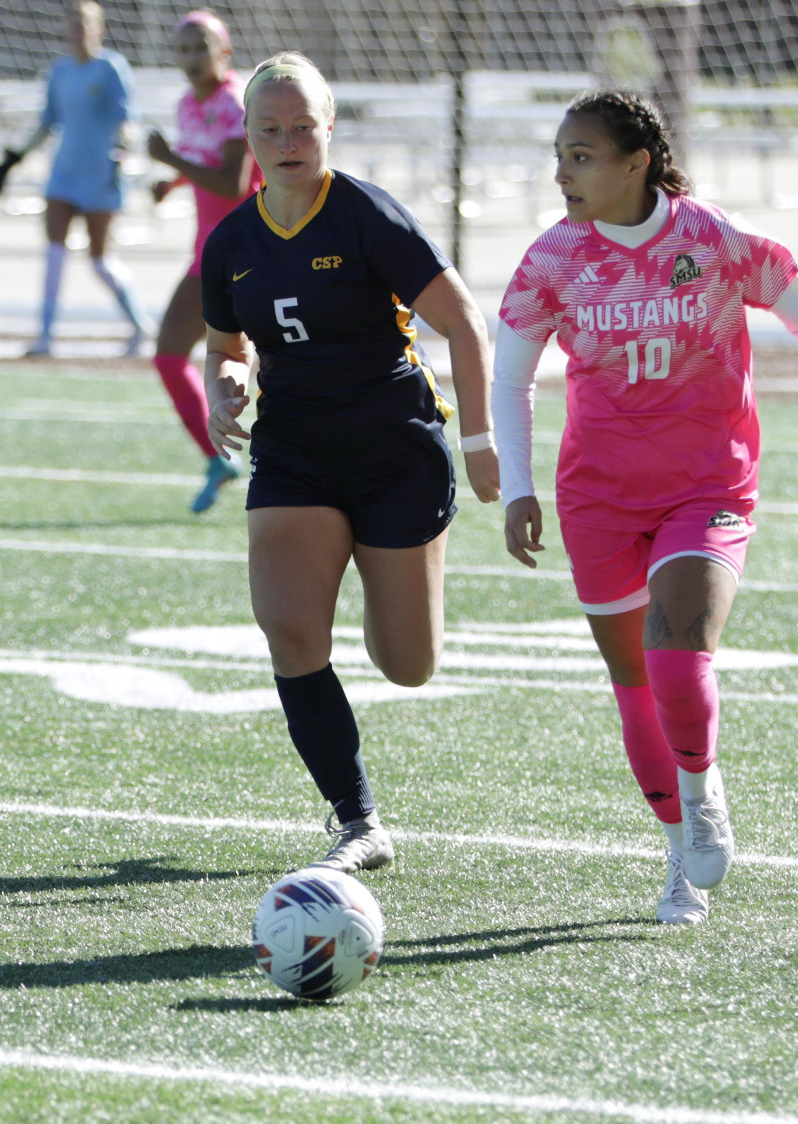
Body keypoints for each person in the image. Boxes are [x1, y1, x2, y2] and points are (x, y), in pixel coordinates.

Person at [492, 90, 798, 924]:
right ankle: (676, 855)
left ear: (635, 164)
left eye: (581, 156)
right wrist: (519, 487)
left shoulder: (709, 238)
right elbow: (511, 376)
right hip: (596, 494)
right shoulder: (553, 260)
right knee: (633, 679)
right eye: (560, 154)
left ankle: (702, 793)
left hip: (707, 481)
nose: (562, 172)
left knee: (677, 657)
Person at [201, 53, 502, 873]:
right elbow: (226, 347)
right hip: (295, 449)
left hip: (394, 449)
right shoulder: (230, 241)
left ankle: (398, 577)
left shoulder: (368, 216)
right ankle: (357, 817)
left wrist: (479, 446)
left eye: (304, 126)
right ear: (250, 136)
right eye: (271, 127)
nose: (289, 140)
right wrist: (224, 389)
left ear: (329, 128)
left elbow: (466, 325)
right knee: (291, 630)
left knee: (407, 665)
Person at [0, 2, 148, 357]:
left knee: (100, 259)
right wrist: (14, 158)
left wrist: (122, 152)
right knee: (54, 253)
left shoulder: (111, 68)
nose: (78, 32)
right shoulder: (58, 71)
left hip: (100, 173)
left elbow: (127, 120)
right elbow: (47, 123)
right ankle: (45, 335)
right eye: (73, 25)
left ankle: (138, 323)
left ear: (99, 29)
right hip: (64, 173)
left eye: (85, 25)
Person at [144, 10, 260, 514]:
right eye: (183, 49)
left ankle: (276, 464)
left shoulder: (236, 102)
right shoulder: (189, 104)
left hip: (247, 249)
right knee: (171, 356)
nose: (191, 58)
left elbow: (234, 185)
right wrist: (173, 182)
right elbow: (205, 165)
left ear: (224, 52)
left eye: (201, 47)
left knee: (266, 360)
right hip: (209, 251)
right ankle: (219, 454)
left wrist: (171, 162)